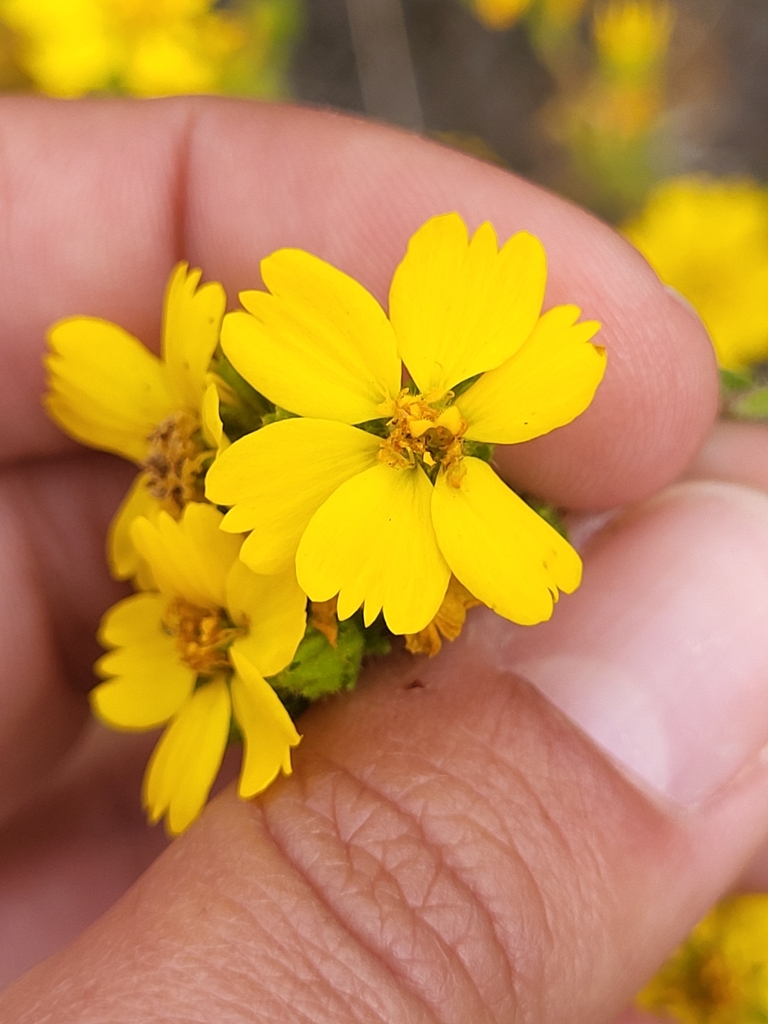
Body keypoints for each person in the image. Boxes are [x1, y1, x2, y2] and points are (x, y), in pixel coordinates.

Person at [0, 95, 766, 1024]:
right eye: (422, 427)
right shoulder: (222, 537)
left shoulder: (304, 505)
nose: (427, 425)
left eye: (427, 426)